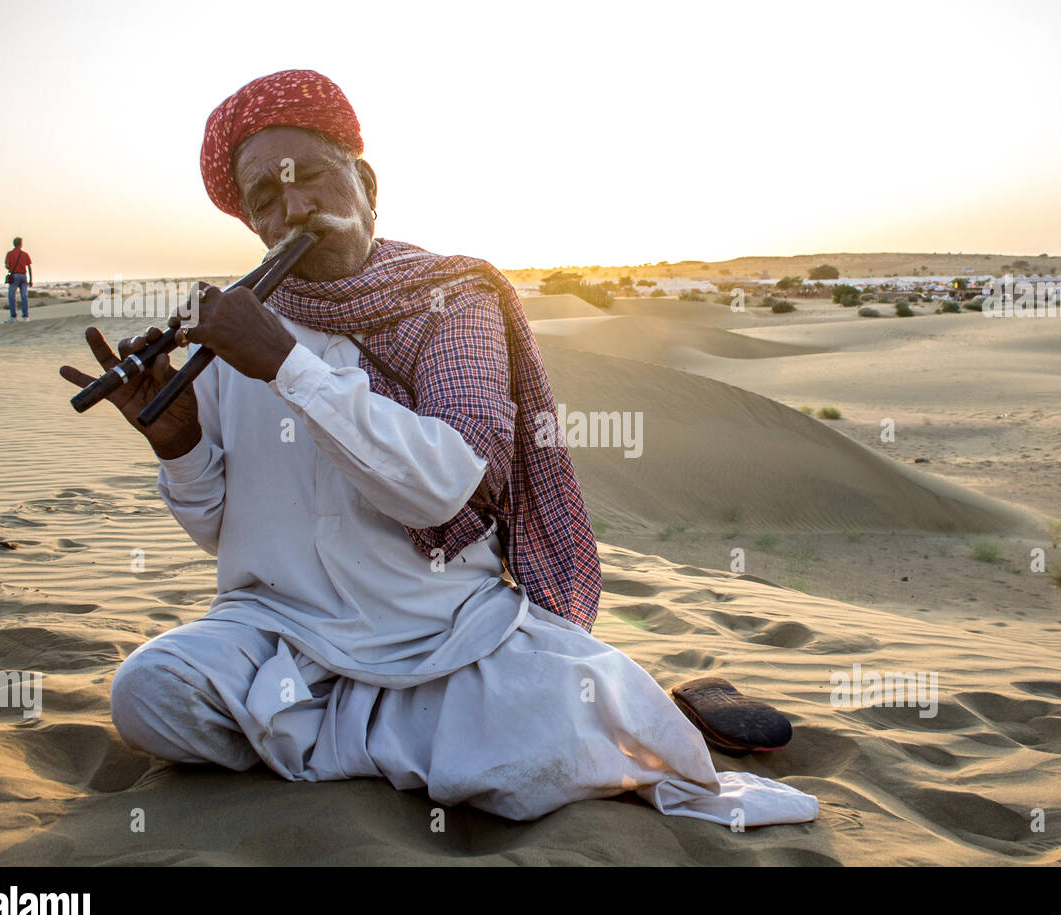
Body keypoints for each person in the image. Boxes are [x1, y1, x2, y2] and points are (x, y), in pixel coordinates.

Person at [58, 69, 817, 827]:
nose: (295, 208)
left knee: (535, 758)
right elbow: (221, 532)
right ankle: (402, 746)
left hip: (441, 632)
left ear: (366, 181)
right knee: (150, 695)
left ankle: (360, 740)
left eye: (312, 178)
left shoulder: (451, 300)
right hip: (276, 634)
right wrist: (180, 442)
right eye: (266, 200)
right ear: (252, 225)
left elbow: (448, 483)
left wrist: (289, 367)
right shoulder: (230, 330)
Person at [5, 237, 32, 321]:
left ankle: (13, 316)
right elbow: (29, 267)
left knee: (12, 296)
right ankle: (25, 316)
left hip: (14, 276)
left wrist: (11, 266)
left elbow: (7, 266)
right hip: (24, 276)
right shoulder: (25, 254)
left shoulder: (10, 254)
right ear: (21, 244)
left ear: (14, 244)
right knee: (24, 296)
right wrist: (31, 280)